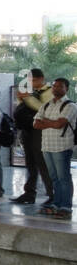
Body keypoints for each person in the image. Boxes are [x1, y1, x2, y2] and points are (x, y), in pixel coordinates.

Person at [34, 77, 75, 219]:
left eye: (60, 86)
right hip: (47, 146)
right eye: (54, 86)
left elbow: (60, 124)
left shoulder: (70, 106)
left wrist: (45, 121)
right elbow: (36, 124)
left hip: (62, 146)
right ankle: (56, 204)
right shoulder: (46, 105)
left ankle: (66, 207)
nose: (56, 88)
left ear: (66, 89)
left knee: (64, 178)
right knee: (54, 178)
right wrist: (51, 122)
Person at [12, 68, 54, 206]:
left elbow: (43, 109)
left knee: (42, 163)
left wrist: (27, 98)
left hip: (40, 131)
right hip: (28, 130)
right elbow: (24, 108)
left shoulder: (49, 91)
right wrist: (21, 99)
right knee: (30, 164)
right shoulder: (32, 92)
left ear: (42, 79)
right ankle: (29, 193)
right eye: (29, 80)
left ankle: (52, 194)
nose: (31, 82)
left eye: (34, 80)